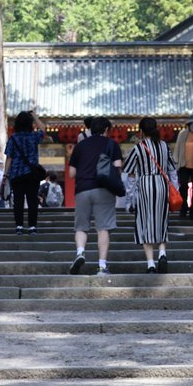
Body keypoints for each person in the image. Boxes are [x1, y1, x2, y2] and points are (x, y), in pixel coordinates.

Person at [66, 116, 124, 275]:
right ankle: (102, 266)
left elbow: (71, 173)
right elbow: (118, 168)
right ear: (106, 130)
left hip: (83, 189)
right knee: (103, 228)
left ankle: (80, 253)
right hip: (104, 189)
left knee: (81, 226)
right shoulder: (112, 144)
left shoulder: (80, 146)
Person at [123, 117, 176, 274]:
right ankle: (162, 252)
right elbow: (172, 170)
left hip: (145, 184)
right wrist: (175, 189)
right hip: (162, 184)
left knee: (145, 221)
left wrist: (129, 198)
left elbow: (131, 175)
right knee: (161, 219)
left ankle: (151, 264)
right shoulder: (165, 146)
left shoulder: (139, 148)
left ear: (141, 131)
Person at [2, 110, 46, 234]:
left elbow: (9, 158)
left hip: (16, 174)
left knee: (18, 201)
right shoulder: (34, 136)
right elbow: (43, 129)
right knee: (32, 200)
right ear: (30, 123)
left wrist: (5, 175)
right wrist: (35, 116)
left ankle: (19, 226)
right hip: (32, 174)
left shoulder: (13, 138)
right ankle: (32, 227)